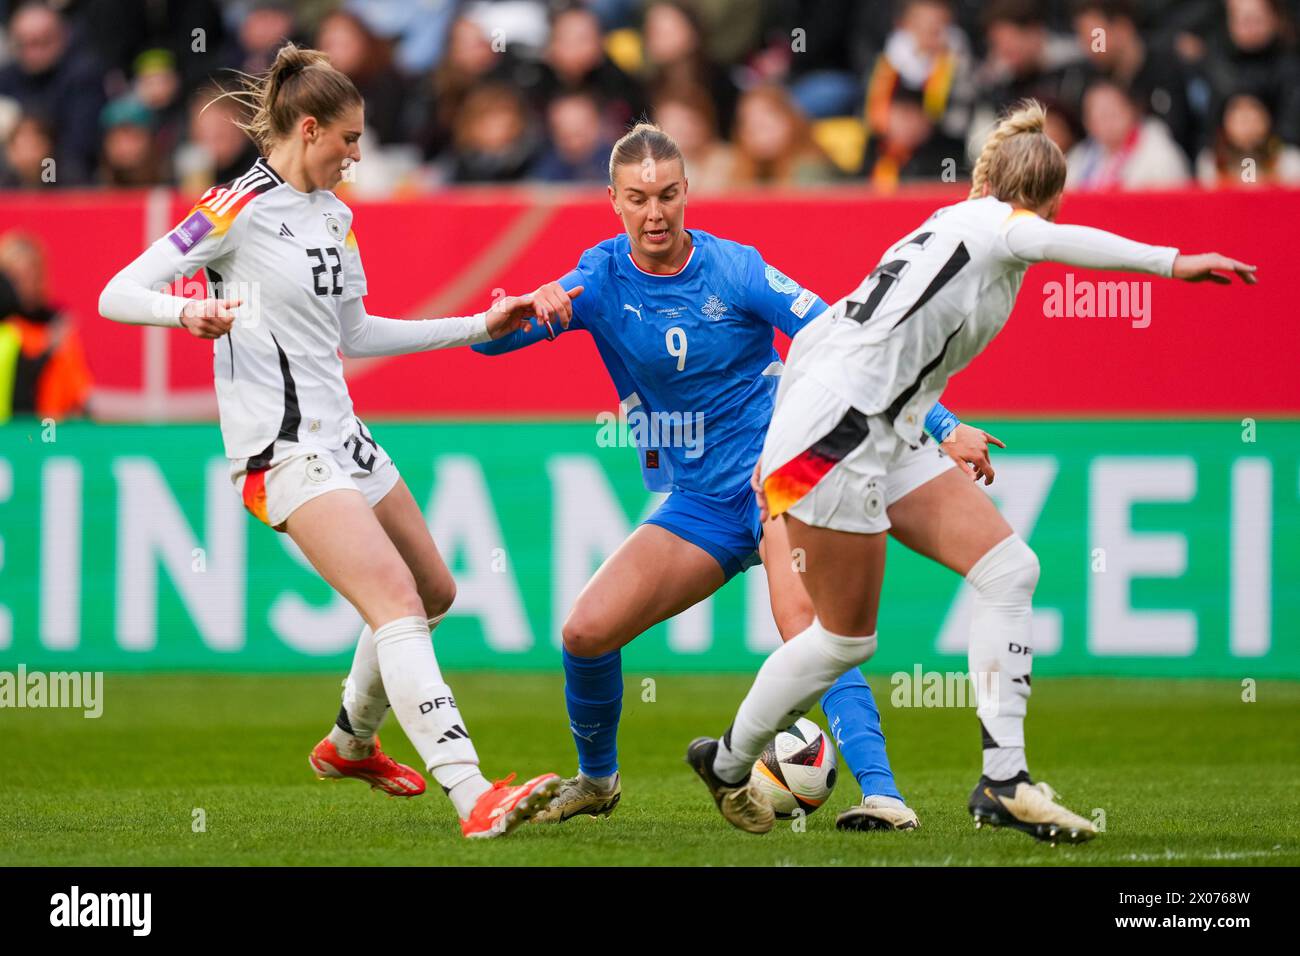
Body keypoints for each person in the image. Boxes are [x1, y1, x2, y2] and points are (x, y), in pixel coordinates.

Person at [688, 99, 1255, 840]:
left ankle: (1004, 780)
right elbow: (1061, 242)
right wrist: (1172, 263)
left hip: (863, 431)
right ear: (1044, 198)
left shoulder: (944, 232)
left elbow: (831, 336)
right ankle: (729, 763)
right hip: (835, 442)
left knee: (1009, 570)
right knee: (845, 641)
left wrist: (924, 426)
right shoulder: (996, 225)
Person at [98, 44, 563, 839]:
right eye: (348, 139)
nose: (358, 154)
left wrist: (477, 325)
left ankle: (350, 741)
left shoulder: (337, 215)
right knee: (394, 603)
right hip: (279, 452)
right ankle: (472, 792)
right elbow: (117, 292)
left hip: (344, 436)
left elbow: (357, 332)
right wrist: (187, 313)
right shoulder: (231, 207)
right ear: (308, 128)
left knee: (435, 592)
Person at [475, 122, 995, 831]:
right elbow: (493, 347)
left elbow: (850, 340)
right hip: (698, 503)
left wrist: (944, 426)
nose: (654, 213)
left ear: (687, 191)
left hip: (780, 477)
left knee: (808, 629)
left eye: (666, 195)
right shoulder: (596, 279)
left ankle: (883, 795)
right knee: (585, 633)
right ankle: (597, 782)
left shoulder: (738, 270)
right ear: (613, 201)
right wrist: (515, 312)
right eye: (637, 199)